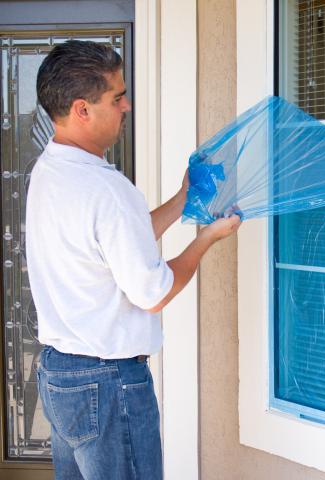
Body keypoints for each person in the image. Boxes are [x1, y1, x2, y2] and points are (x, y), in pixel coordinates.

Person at [26, 40, 240, 480]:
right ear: (83, 109)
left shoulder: (50, 170)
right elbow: (154, 293)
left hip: (61, 375)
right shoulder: (107, 190)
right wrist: (207, 239)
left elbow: (116, 240)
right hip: (108, 386)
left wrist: (183, 199)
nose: (127, 107)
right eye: (117, 97)